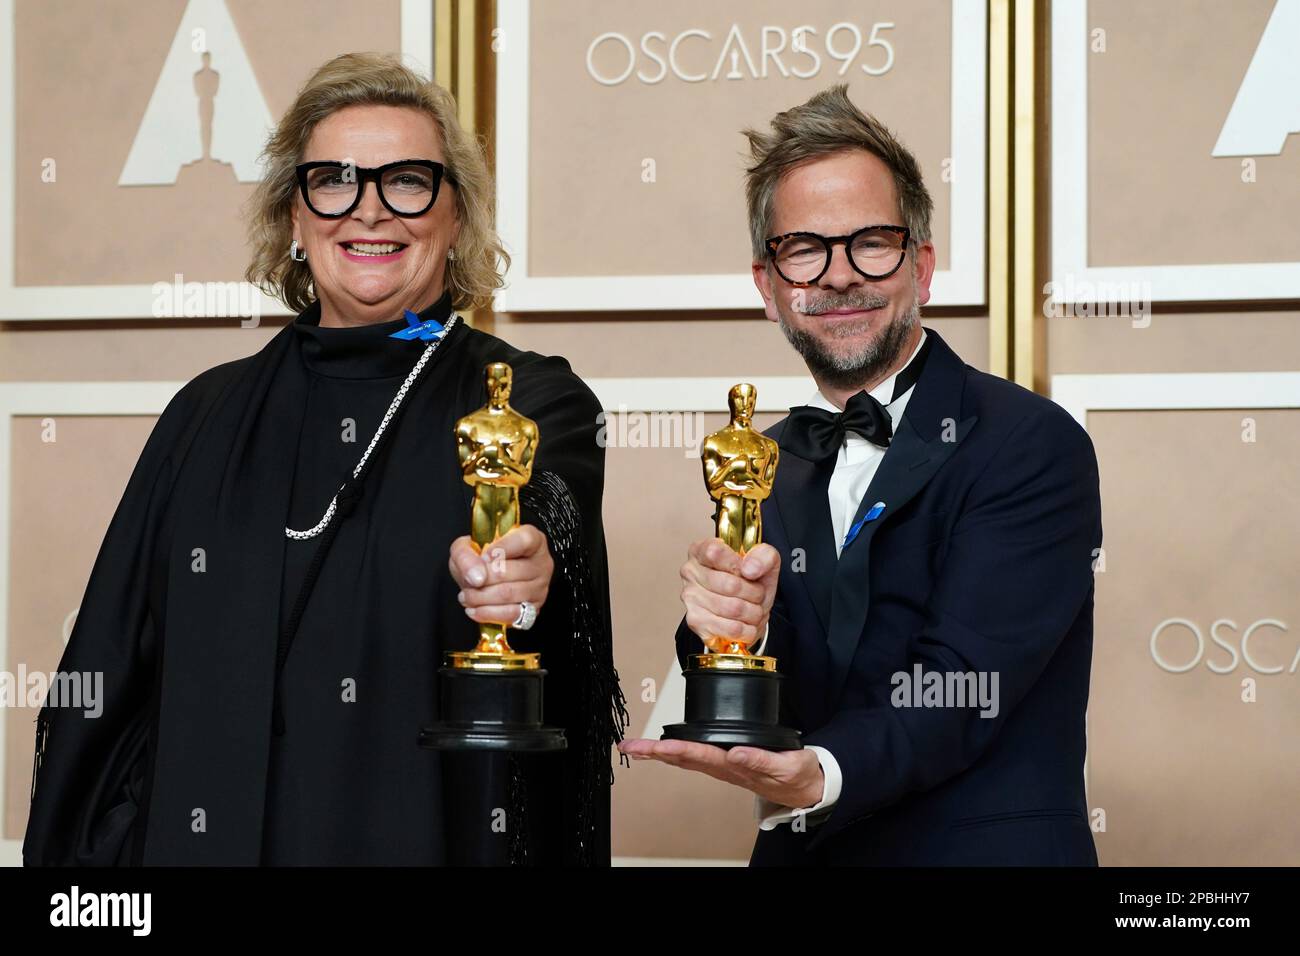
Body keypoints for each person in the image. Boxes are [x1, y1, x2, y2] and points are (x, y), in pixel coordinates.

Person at [24, 52, 624, 866]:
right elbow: (108, 669)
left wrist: (527, 573)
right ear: (295, 220)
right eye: (334, 181)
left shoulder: (527, 400)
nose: (369, 212)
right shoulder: (207, 412)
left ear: (456, 219)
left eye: (407, 182)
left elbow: (549, 519)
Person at [620, 85, 1102, 866]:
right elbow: (771, 680)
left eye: (870, 242)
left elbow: (962, 681)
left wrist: (820, 776)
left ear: (922, 265)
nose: (839, 275)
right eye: (805, 248)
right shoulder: (764, 458)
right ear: (768, 288)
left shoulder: (1028, 442)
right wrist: (725, 626)